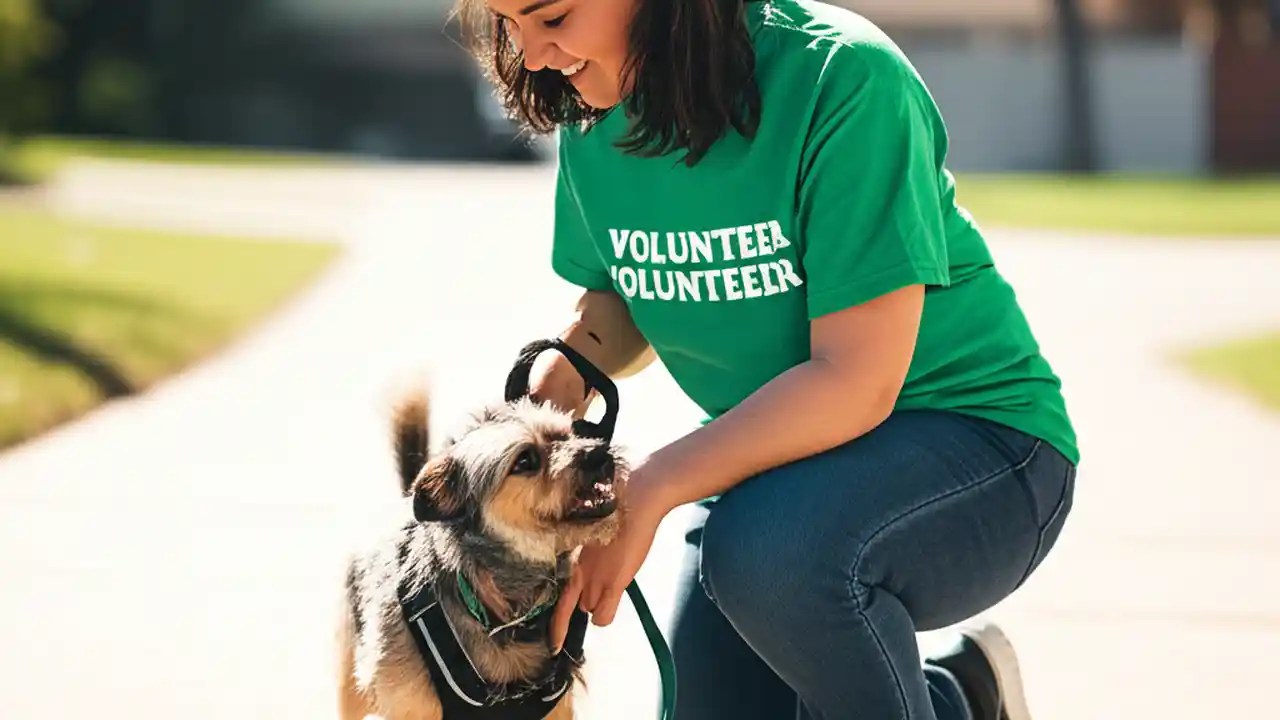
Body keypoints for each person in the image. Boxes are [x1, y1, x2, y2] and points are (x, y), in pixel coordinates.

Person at [458, 0, 1079, 717]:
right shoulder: (595, 101)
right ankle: (958, 701)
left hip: (980, 448)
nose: (533, 56)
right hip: (776, 472)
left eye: (554, 17)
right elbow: (623, 291)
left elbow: (856, 382)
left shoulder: (840, 76)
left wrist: (653, 487)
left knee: (767, 562)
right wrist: (565, 376)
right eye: (510, 23)